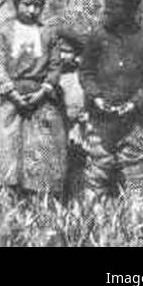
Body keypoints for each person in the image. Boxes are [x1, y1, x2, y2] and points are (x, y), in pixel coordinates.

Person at [80, 0, 143, 198]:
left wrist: (135, 102)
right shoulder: (98, 37)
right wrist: (96, 97)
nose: (107, 10)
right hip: (101, 118)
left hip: (134, 118)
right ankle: (91, 218)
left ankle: (137, 219)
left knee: (134, 166)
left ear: (129, 10)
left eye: (114, 7)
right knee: (98, 167)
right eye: (107, 5)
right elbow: (86, 72)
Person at [0, 0, 66, 196]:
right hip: (10, 95)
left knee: (41, 144)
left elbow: (55, 65)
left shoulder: (48, 33)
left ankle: (38, 196)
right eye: (27, 4)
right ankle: (7, 195)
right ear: (17, 4)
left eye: (37, 6)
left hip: (40, 96)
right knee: (9, 143)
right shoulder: (4, 31)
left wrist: (42, 92)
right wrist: (12, 93)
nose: (32, 10)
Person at [54, 30, 87, 200]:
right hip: (58, 125)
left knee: (77, 162)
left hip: (77, 128)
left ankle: (76, 198)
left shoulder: (80, 75)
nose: (63, 55)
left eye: (68, 52)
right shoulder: (53, 74)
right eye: (60, 51)